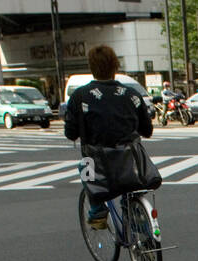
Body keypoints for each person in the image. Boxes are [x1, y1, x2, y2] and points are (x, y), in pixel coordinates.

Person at [64, 44, 154, 229]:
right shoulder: (131, 95)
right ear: (115, 65)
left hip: (97, 161)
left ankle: (97, 212)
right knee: (132, 188)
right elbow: (147, 130)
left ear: (91, 67)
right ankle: (138, 220)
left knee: (84, 167)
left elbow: (71, 132)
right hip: (131, 160)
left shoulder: (80, 96)